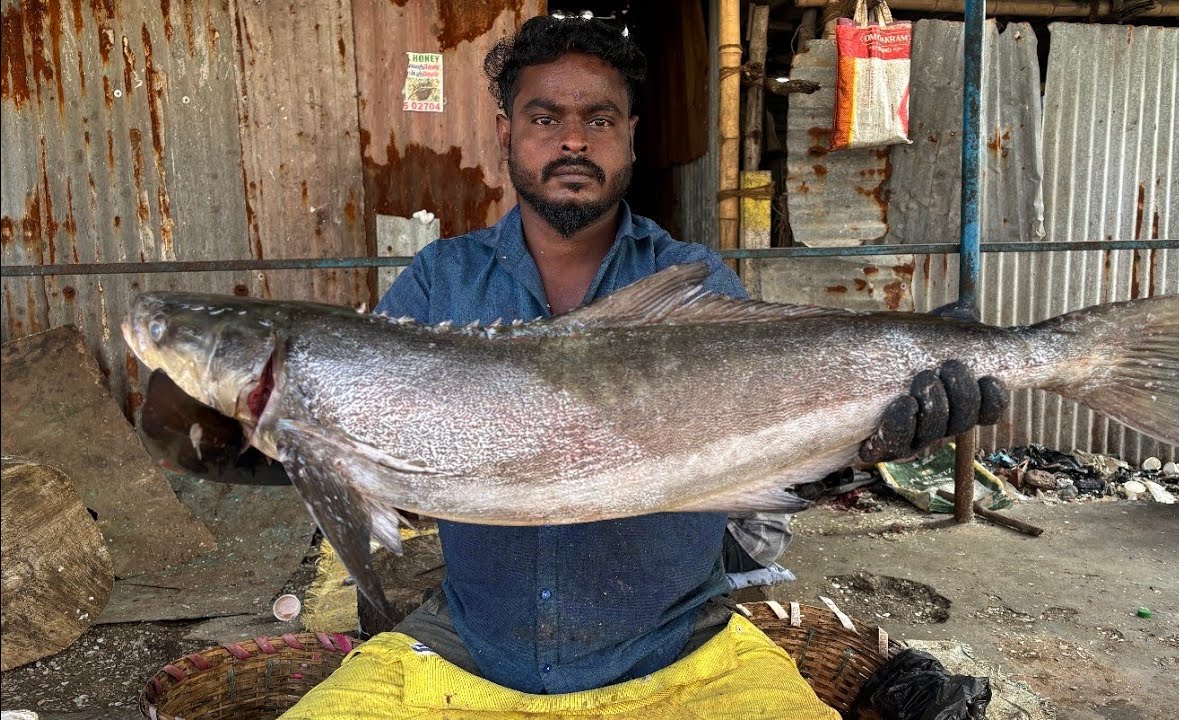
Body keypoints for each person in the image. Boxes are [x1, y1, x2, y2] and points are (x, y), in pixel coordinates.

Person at [281, 15, 1005, 719]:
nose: (571, 139)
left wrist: (862, 445)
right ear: (505, 132)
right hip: (470, 647)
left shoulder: (688, 281)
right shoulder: (440, 282)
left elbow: (772, 460)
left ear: (630, 137)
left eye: (599, 120)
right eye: (543, 118)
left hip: (682, 651)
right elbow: (358, 431)